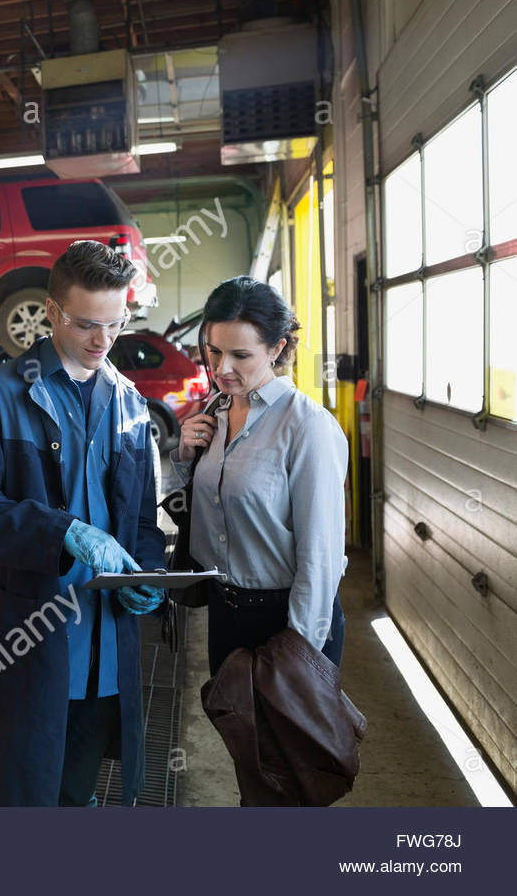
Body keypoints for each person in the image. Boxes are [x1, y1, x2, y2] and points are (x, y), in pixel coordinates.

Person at [0, 240, 168, 806]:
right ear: (51, 311)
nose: (103, 341)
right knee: (24, 794)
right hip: (31, 637)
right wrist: (62, 531)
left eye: (116, 324)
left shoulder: (130, 403)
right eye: (87, 324)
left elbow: (143, 518)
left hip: (103, 640)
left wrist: (146, 575)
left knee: (79, 793)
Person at [171, 276, 349, 798]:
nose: (223, 369)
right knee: (251, 771)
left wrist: (300, 661)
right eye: (214, 351)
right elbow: (215, 512)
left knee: (287, 780)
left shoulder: (307, 427)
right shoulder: (216, 414)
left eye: (241, 356)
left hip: (288, 621)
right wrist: (186, 458)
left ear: (278, 347)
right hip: (228, 617)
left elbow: (320, 557)